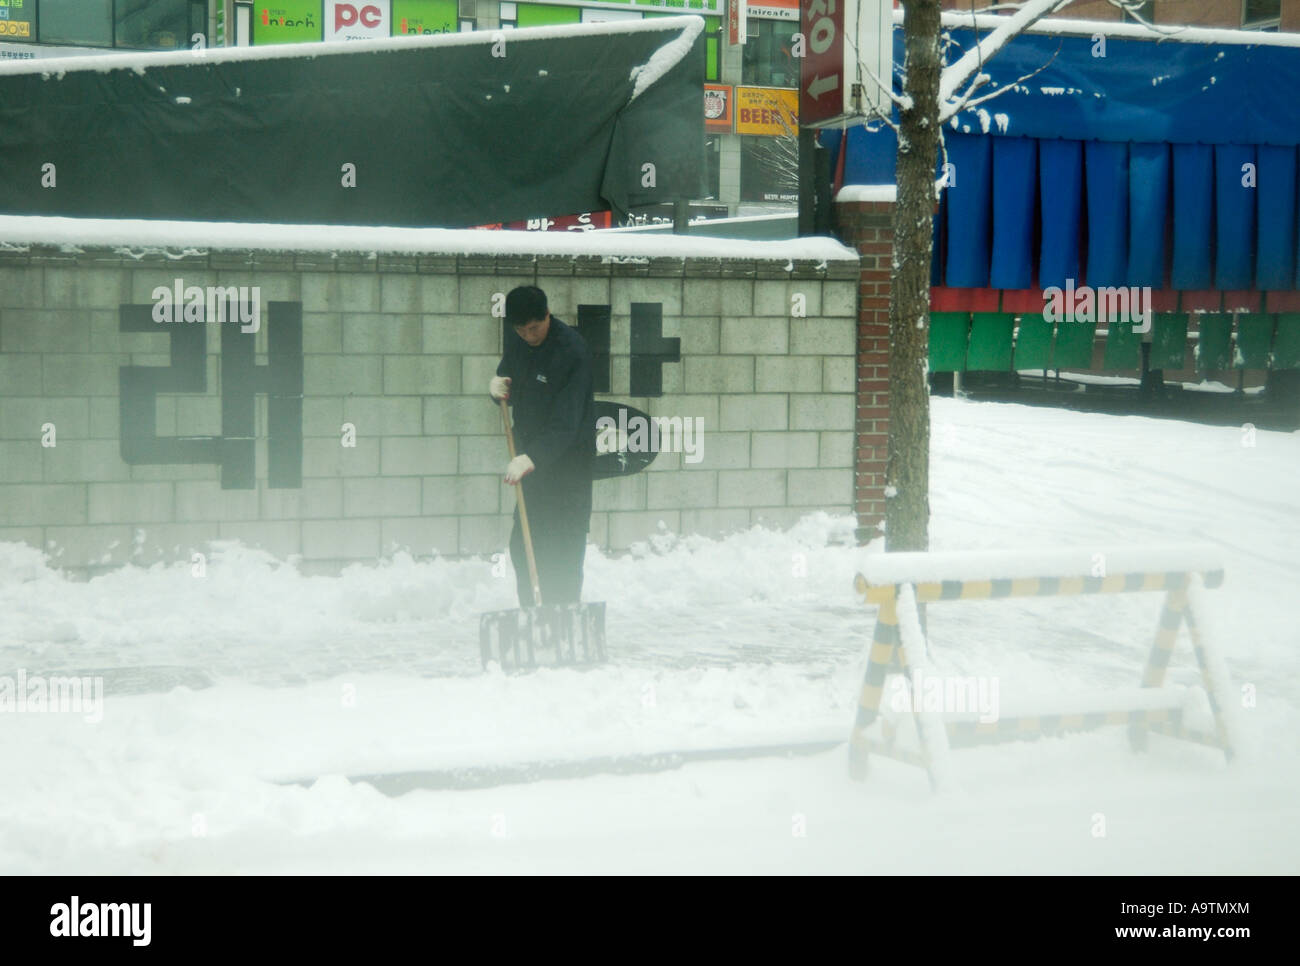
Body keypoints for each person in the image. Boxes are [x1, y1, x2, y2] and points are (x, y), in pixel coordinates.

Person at [488, 285, 596, 606]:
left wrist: (531, 457)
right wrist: (496, 390)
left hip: (568, 470)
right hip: (531, 465)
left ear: (547, 315)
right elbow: (508, 382)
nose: (528, 335)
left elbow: (567, 423)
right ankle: (532, 617)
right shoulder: (519, 342)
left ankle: (562, 620)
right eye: (520, 330)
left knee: (562, 551)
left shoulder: (572, 352)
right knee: (524, 548)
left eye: (534, 327)